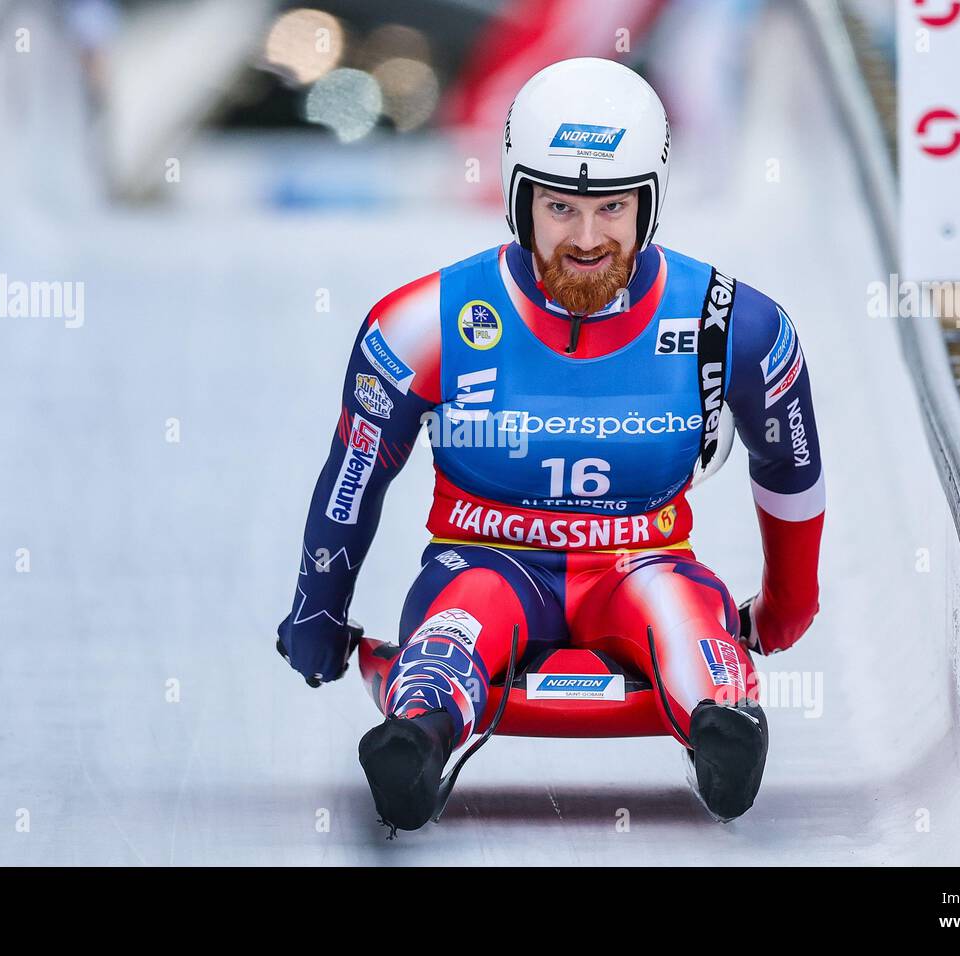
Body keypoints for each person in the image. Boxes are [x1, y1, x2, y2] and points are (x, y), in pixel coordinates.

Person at [277, 58, 824, 832]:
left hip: (642, 564)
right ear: (518, 200)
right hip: (485, 563)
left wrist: (788, 603)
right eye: (562, 208)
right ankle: (417, 738)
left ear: (651, 205)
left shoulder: (734, 321)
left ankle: (722, 727)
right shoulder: (420, 324)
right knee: (457, 625)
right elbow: (355, 479)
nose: (588, 239)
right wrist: (317, 612)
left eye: (612, 209)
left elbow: (789, 465)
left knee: (683, 618)